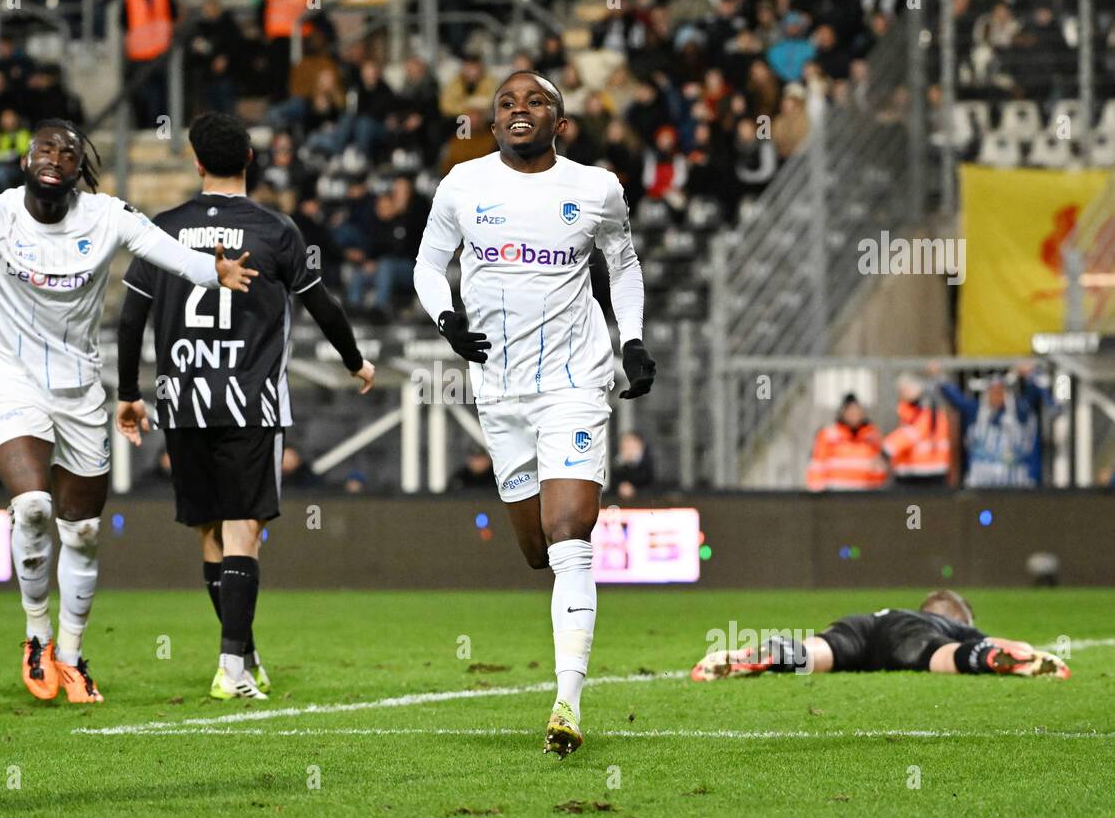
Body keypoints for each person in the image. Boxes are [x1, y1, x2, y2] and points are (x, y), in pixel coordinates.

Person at [0, 120, 256, 705]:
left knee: (86, 531)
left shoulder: (105, 216)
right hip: (9, 379)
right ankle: (36, 637)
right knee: (33, 507)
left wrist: (214, 272)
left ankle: (70, 658)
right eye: (45, 147)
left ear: (77, 170)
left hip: (80, 390)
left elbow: (166, 252)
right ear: (25, 161)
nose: (56, 157)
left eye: (68, 152)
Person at [413, 70, 656, 758]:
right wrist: (447, 322)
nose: (521, 109)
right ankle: (564, 627)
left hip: (575, 381)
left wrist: (631, 340)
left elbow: (625, 265)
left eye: (537, 102)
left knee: (570, 529)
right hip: (500, 389)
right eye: (508, 103)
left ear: (561, 122)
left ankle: (567, 704)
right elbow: (428, 267)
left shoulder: (595, 188)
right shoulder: (463, 185)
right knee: (536, 551)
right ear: (494, 122)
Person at [115, 112, 374, 701]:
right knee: (245, 524)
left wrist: (130, 392)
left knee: (212, 525)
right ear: (250, 160)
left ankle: (242, 650)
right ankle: (231, 666)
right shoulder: (278, 230)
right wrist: (354, 359)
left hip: (183, 397)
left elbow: (131, 316)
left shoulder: (163, 229)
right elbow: (321, 302)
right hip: (250, 397)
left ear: (197, 161)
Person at [691, 589, 1070, 680]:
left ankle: (761, 653)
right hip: (906, 639)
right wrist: (1015, 649)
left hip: (861, 625)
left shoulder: (890, 612)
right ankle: (987, 663)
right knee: (941, 656)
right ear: (958, 617)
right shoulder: (941, 625)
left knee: (816, 653)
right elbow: (993, 640)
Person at [932, 363, 1043, 488]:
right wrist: (939, 376)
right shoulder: (975, 411)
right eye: (992, 391)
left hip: (1015, 483)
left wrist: (1030, 375)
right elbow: (956, 399)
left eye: (1000, 391)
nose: (996, 396)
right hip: (981, 483)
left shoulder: (1020, 411)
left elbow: (1036, 394)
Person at [806, 393, 886, 491]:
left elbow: (879, 470)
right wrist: (817, 496)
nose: (854, 416)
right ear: (843, 413)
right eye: (850, 412)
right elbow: (817, 466)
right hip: (835, 495)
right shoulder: (828, 435)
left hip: (863, 497)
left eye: (857, 412)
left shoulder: (872, 437)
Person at [882, 372, 950, 487]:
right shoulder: (906, 411)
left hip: (929, 473)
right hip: (909, 473)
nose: (902, 393)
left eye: (906, 389)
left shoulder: (928, 411)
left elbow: (914, 432)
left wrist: (888, 447)